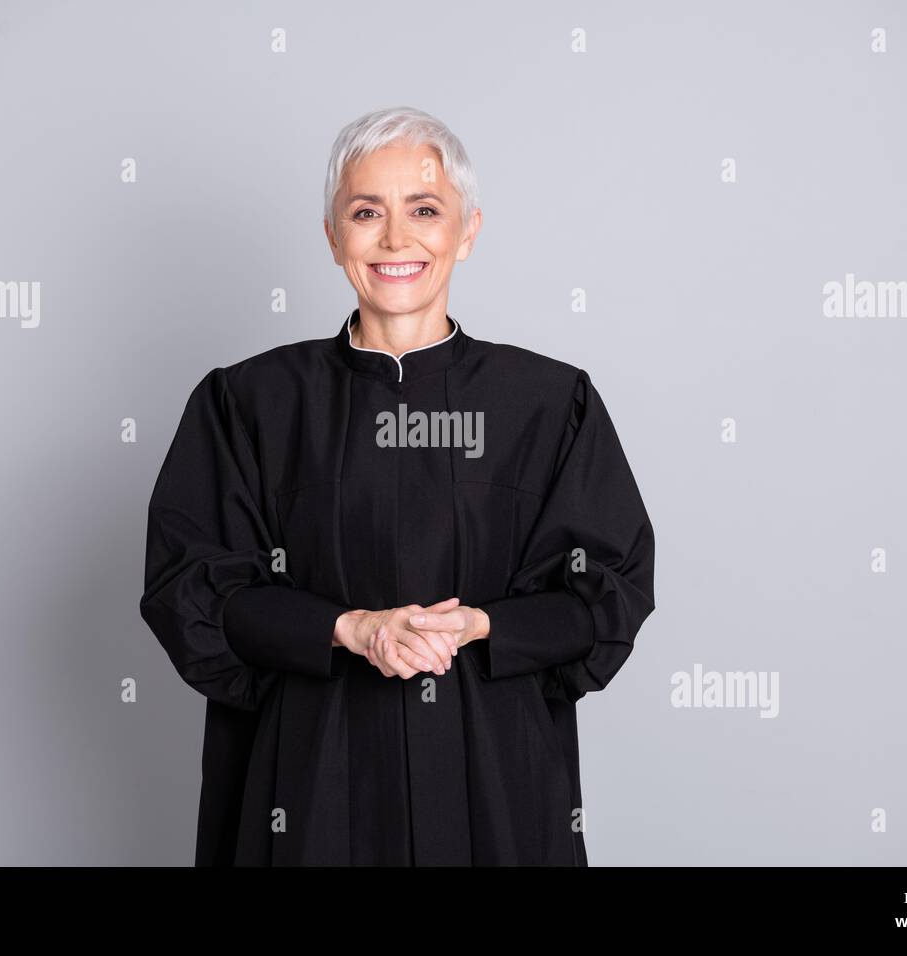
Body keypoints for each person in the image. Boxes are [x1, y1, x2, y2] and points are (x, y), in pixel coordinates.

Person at [139, 106, 655, 865]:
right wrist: (349, 629)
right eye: (365, 212)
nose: (395, 239)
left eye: (424, 210)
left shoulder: (548, 403)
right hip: (310, 782)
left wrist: (479, 625)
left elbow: (605, 593)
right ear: (331, 236)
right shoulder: (248, 402)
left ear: (467, 230)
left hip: (493, 780)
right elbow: (191, 592)